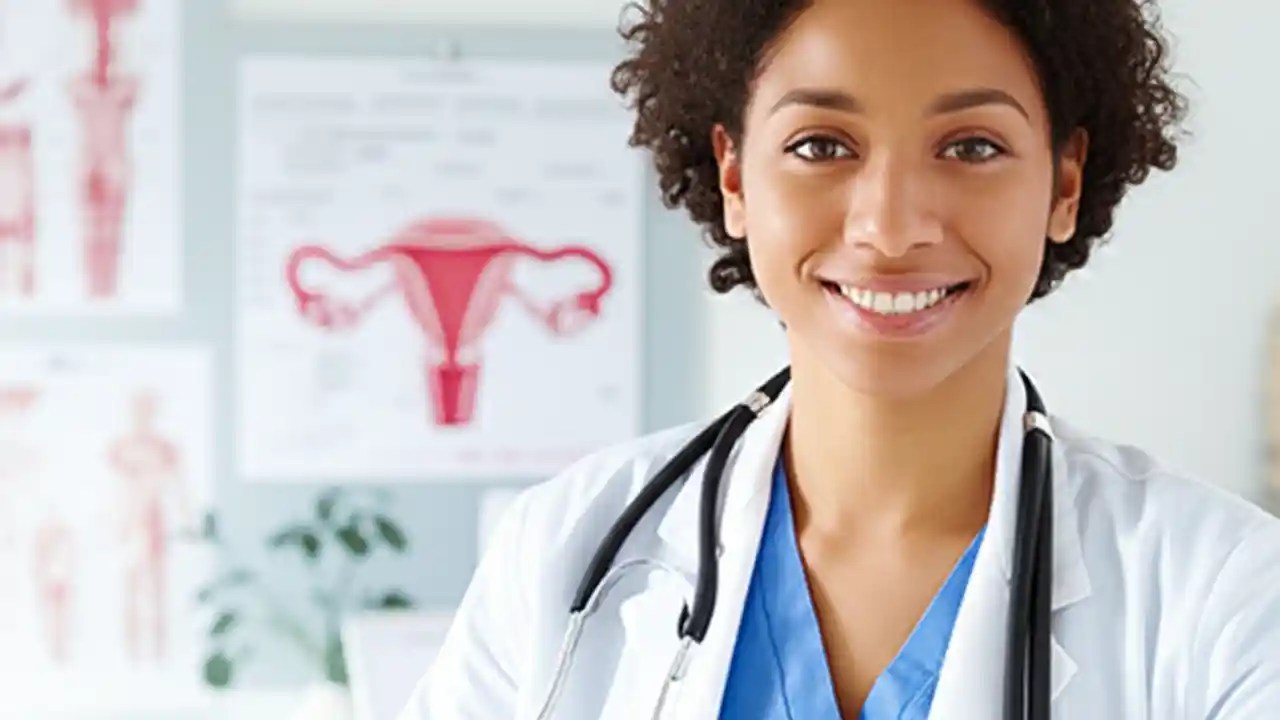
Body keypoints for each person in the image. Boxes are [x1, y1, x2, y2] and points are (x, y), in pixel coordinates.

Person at [401, 0, 1280, 717]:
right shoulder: (562, 554)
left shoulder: (1226, 594)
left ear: (1064, 184)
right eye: (821, 146)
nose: (890, 228)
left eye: (972, 147)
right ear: (735, 178)